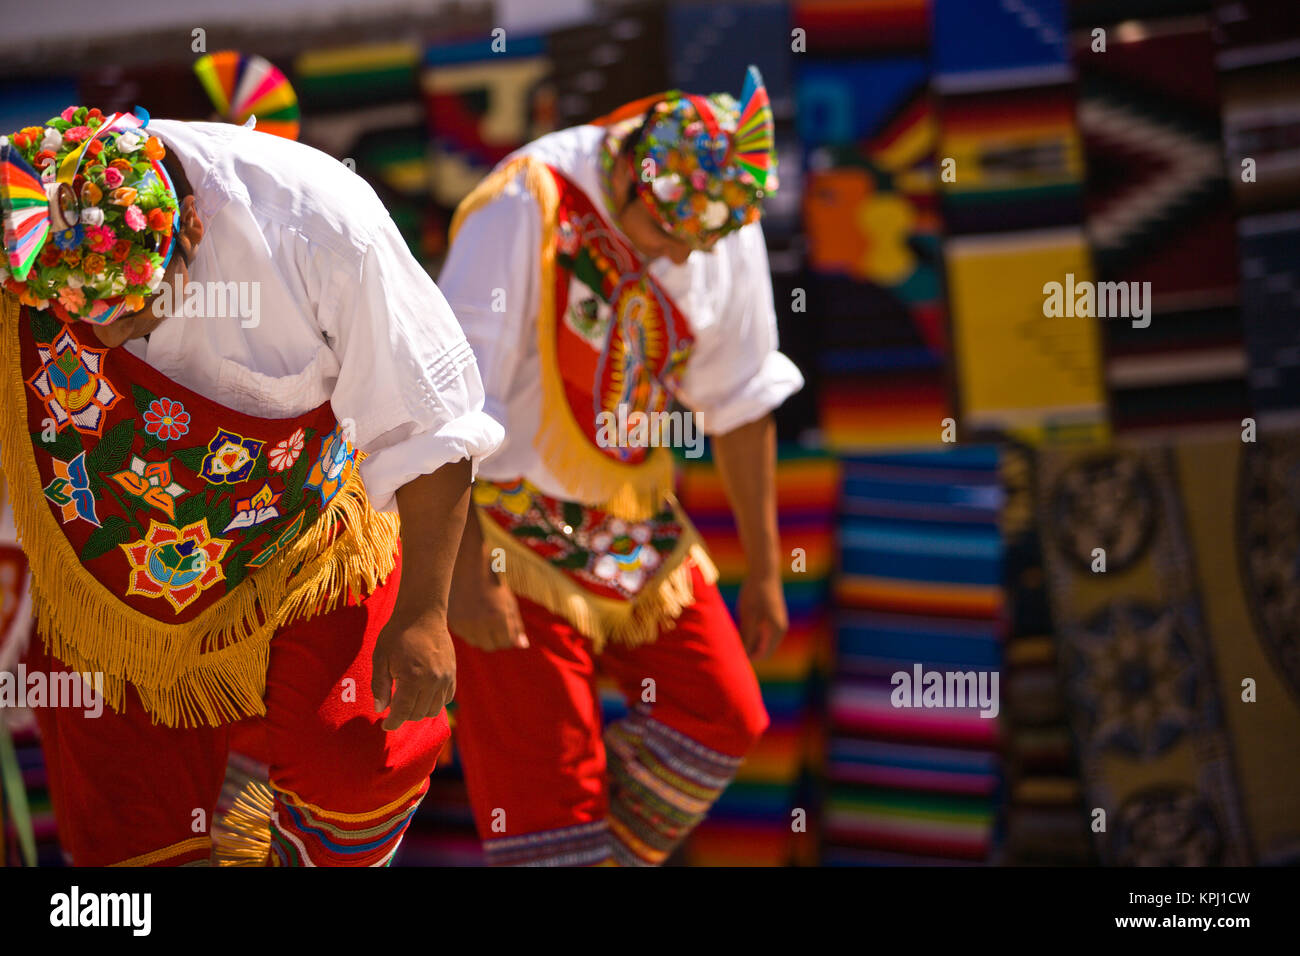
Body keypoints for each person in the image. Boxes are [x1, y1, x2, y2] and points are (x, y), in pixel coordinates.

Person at [0, 105, 502, 865]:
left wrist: (427, 613)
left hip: (305, 539)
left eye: (133, 312)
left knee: (357, 760)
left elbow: (430, 425)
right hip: (105, 566)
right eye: (82, 317)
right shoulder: (16, 211)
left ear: (191, 227)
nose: (104, 338)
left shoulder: (319, 224)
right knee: (128, 836)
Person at [439, 67, 804, 865]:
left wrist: (767, 571)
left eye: (695, 241)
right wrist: (465, 575)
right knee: (550, 801)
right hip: (501, 526)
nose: (680, 252)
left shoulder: (717, 216)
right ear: (632, 172)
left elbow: (740, 398)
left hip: (630, 525)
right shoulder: (521, 206)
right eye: (665, 232)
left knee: (724, 715)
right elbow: (449, 410)